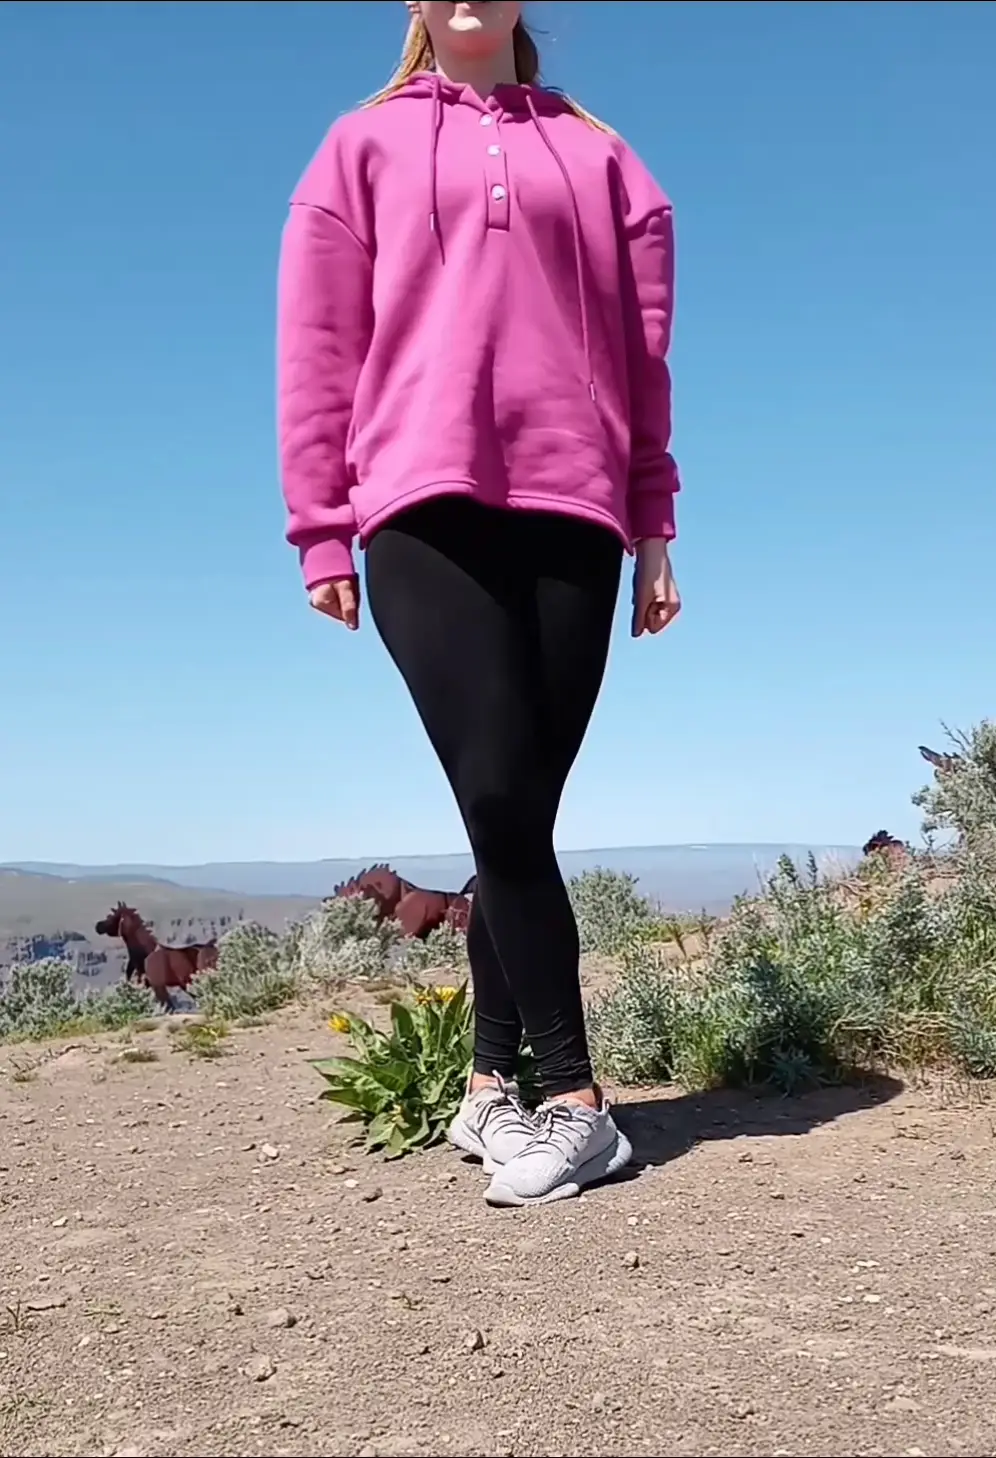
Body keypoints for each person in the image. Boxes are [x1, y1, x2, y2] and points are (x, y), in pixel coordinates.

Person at [276, 0, 682, 1206]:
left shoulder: (604, 157)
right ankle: (577, 1100)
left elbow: (644, 356)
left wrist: (654, 524)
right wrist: (321, 528)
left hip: (576, 505)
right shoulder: (360, 147)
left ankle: (485, 1090)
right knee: (499, 795)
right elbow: (316, 346)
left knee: (519, 819)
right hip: (416, 500)